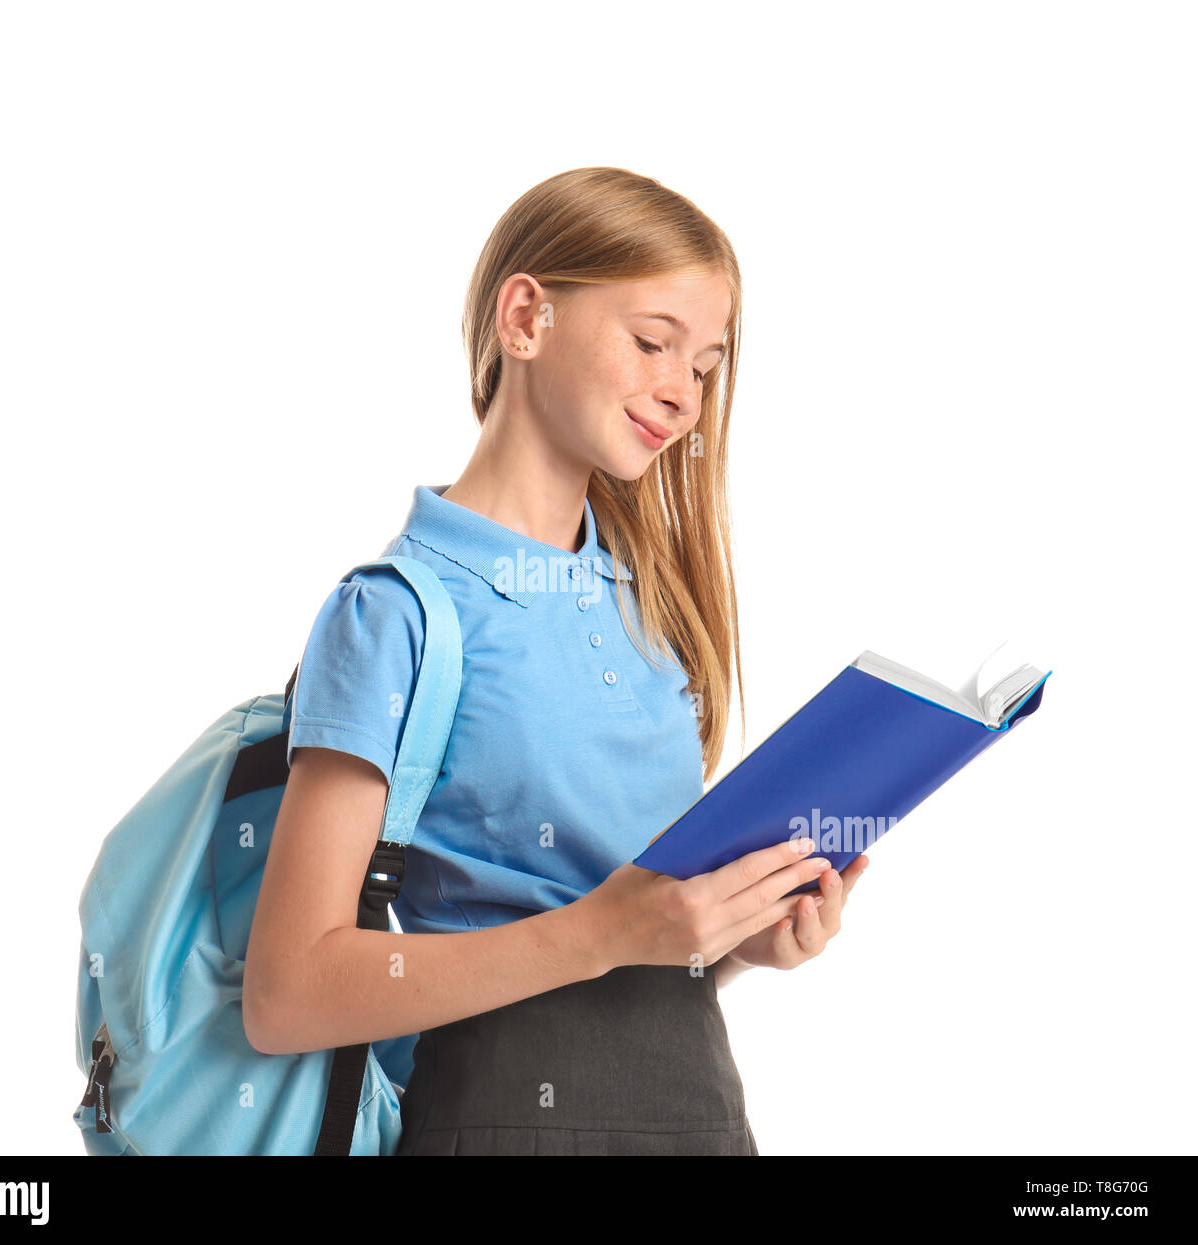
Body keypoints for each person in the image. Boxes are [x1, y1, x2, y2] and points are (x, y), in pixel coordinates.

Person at [242, 166, 869, 1156]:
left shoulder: (654, 605)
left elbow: (633, 938)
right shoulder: (398, 614)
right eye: (653, 342)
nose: (681, 392)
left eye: (704, 366)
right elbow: (286, 994)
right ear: (526, 316)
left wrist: (731, 932)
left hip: (696, 1115)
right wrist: (607, 934)